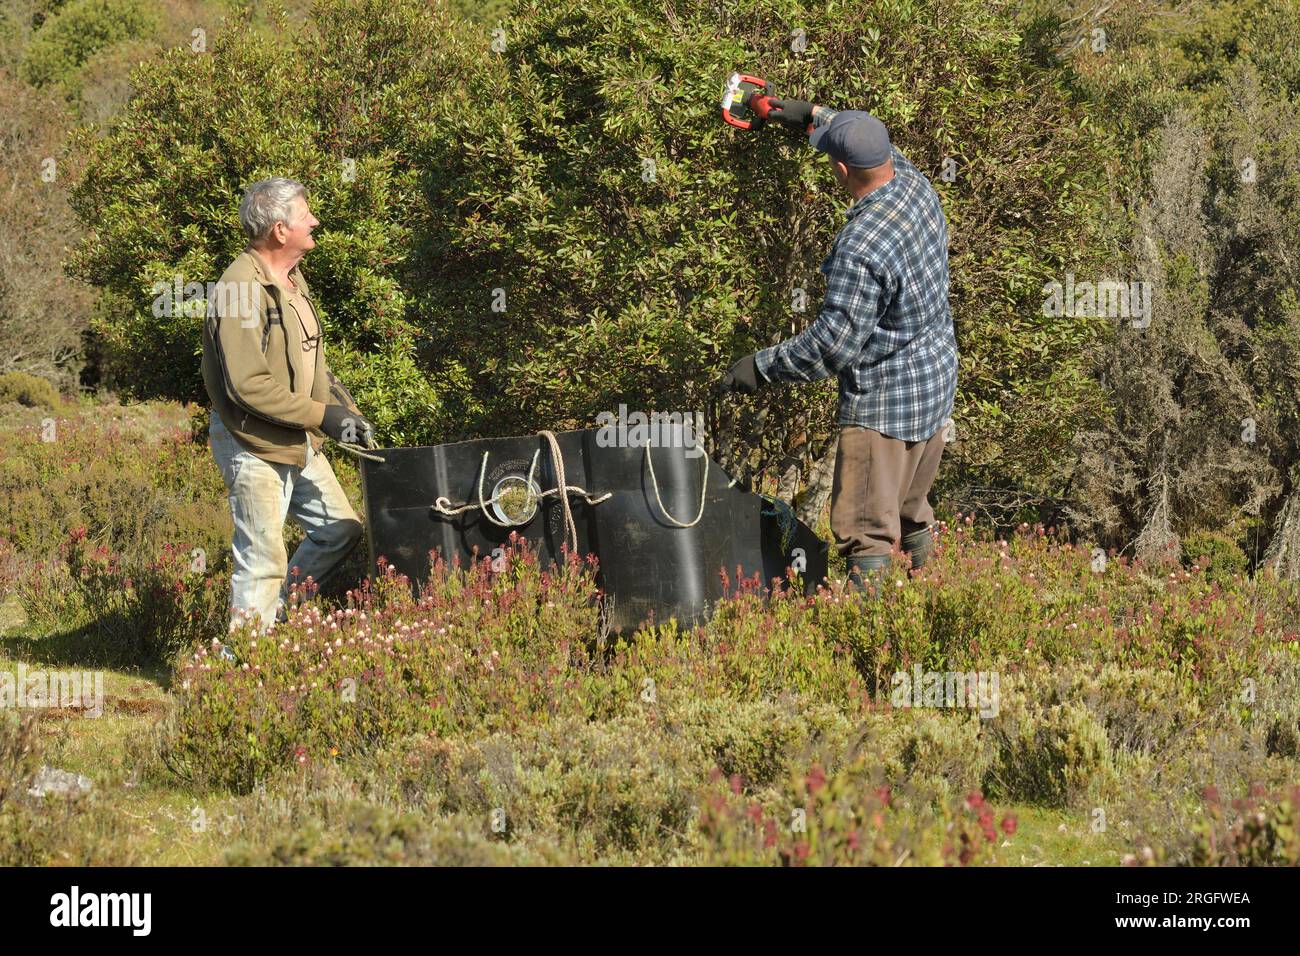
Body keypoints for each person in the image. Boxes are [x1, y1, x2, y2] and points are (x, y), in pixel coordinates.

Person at [720, 109, 958, 592]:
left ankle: (868, 645)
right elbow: (870, 143)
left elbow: (833, 345)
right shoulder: (915, 185)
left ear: (842, 170)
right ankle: (934, 607)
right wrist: (805, 114)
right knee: (913, 512)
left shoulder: (861, 245)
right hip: (934, 388)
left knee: (865, 534)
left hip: (884, 409)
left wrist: (760, 367)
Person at [200, 177, 378, 635]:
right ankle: (238, 670)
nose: (314, 220)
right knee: (262, 559)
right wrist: (323, 417)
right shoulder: (240, 289)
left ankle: (275, 619)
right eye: (305, 215)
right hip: (254, 441)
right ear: (280, 230)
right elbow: (248, 386)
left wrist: (345, 412)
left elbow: (309, 363)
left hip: (298, 438)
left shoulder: (292, 280)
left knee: (340, 530)